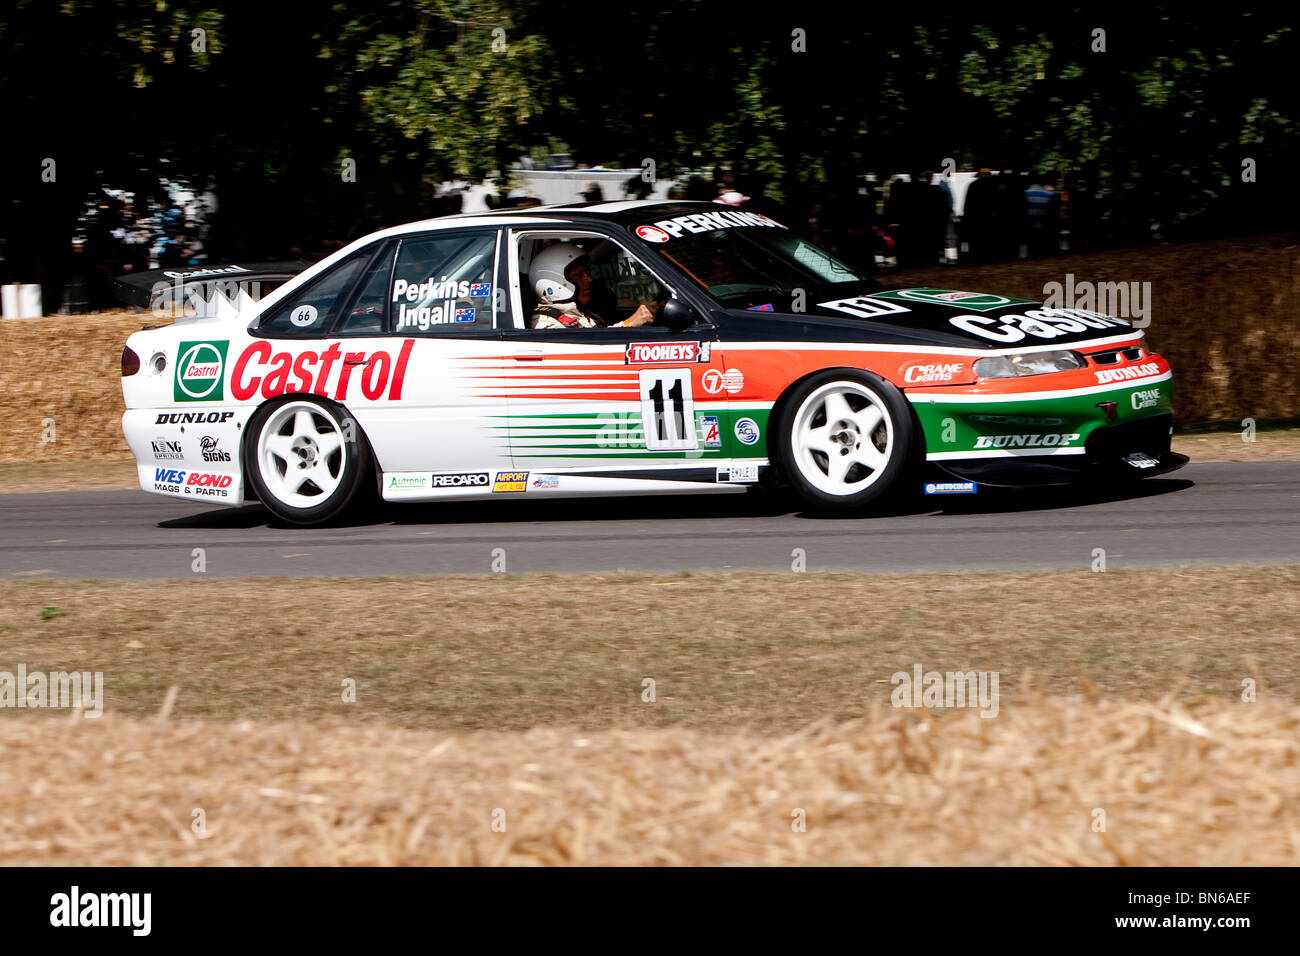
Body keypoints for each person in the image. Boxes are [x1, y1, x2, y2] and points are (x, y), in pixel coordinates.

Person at [528, 243, 659, 329]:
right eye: (579, 275)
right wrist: (629, 324)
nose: (589, 279)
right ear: (554, 284)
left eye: (586, 272)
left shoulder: (582, 312)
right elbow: (584, 352)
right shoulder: (546, 326)